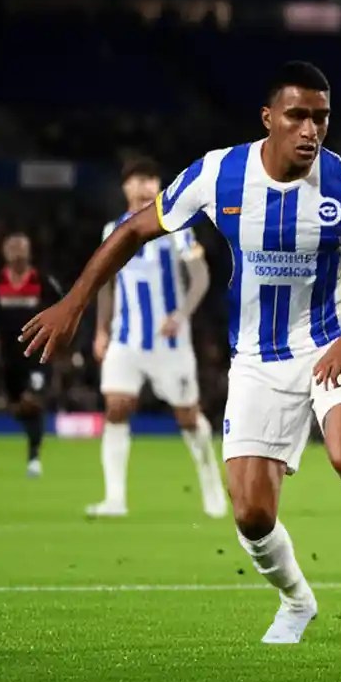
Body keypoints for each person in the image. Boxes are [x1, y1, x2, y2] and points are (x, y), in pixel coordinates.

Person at [20, 61, 341, 644]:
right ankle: (296, 599)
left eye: (321, 117)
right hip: (258, 356)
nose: (311, 129)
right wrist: (75, 303)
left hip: (334, 339)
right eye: (298, 116)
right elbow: (132, 230)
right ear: (268, 119)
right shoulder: (219, 174)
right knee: (252, 516)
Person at [88, 156, 229, 519]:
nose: (144, 185)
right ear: (125, 188)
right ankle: (114, 498)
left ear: (158, 185)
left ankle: (212, 484)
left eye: (150, 178)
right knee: (116, 408)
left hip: (170, 343)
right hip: (126, 338)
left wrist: (181, 314)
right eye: (136, 179)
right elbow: (105, 284)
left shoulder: (177, 228)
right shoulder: (111, 232)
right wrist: (101, 330)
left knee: (187, 417)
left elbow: (200, 276)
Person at [0, 231, 64, 478]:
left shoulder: (43, 281)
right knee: (19, 406)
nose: (17, 251)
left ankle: (34, 458)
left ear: (30, 251)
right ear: (4, 252)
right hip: (7, 357)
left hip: (37, 353)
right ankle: (32, 439)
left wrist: (57, 338)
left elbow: (65, 308)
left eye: (22, 246)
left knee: (33, 400)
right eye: (12, 246)